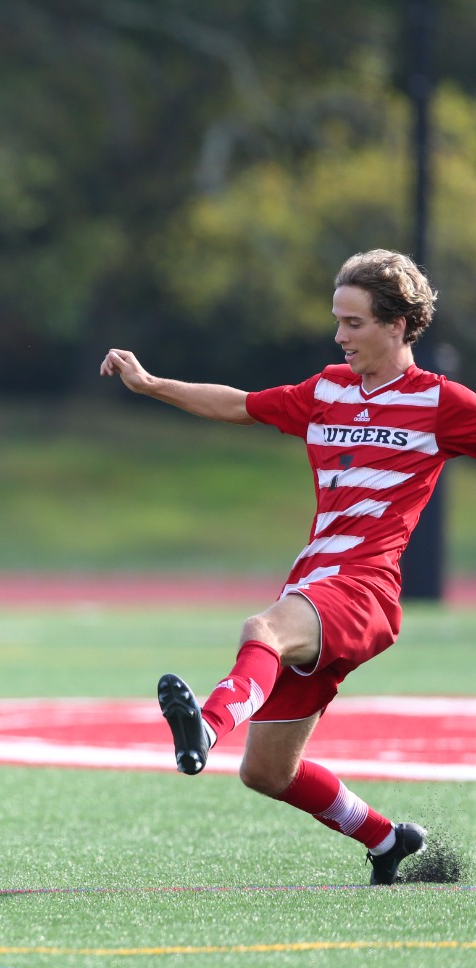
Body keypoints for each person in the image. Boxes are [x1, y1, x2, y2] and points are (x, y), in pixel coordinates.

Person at [99, 248, 476, 884]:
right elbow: (237, 404)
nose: (340, 336)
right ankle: (388, 841)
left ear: (397, 325)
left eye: (354, 323)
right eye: (337, 321)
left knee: (263, 629)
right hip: (312, 584)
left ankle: (206, 727)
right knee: (268, 772)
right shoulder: (326, 389)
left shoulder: (440, 403)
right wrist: (151, 384)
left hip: (363, 589)